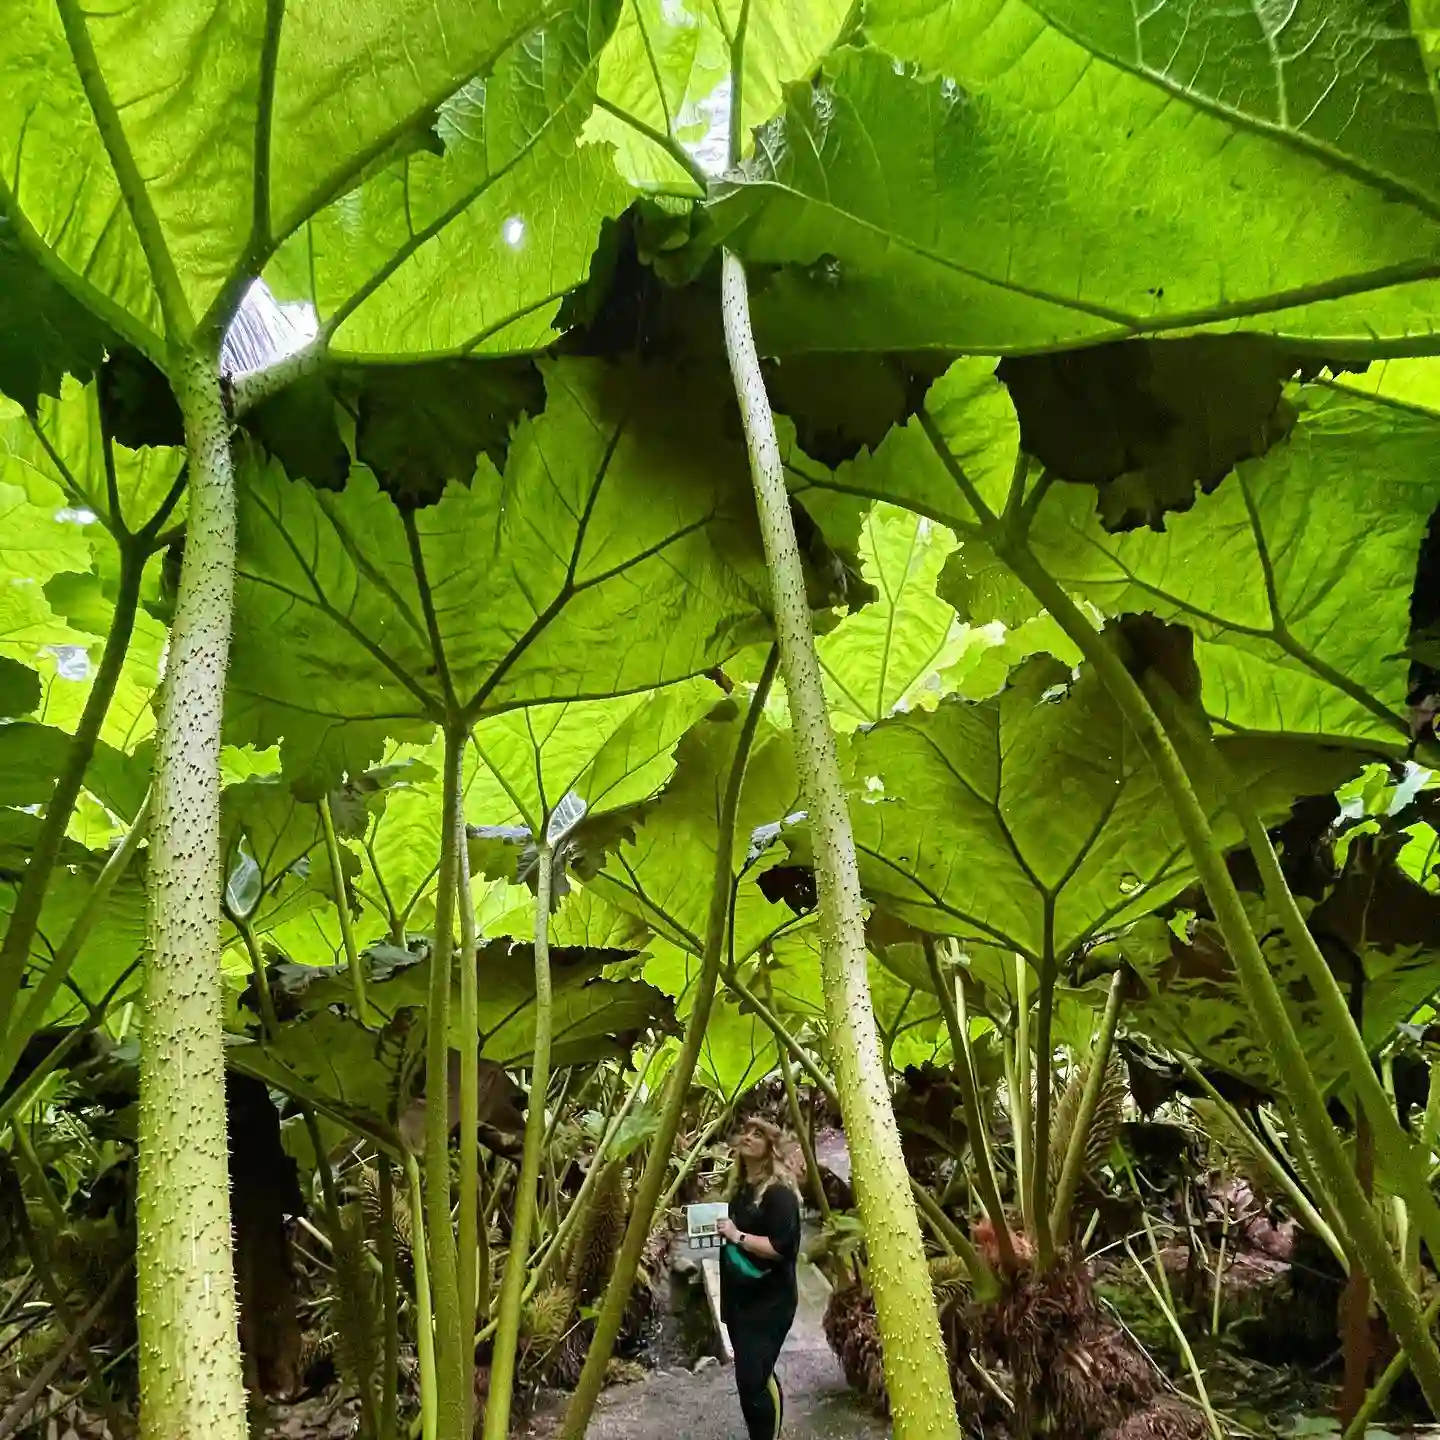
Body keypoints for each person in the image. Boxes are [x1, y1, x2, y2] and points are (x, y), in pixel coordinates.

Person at [716, 1116, 803, 1440]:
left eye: (758, 1134)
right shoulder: (740, 1190)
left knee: (754, 1377)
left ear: (770, 1147)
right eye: (746, 1132)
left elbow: (781, 1249)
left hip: (769, 1301)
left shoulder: (779, 1195)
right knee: (752, 1376)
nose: (748, 1137)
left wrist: (736, 1235)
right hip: (741, 1297)